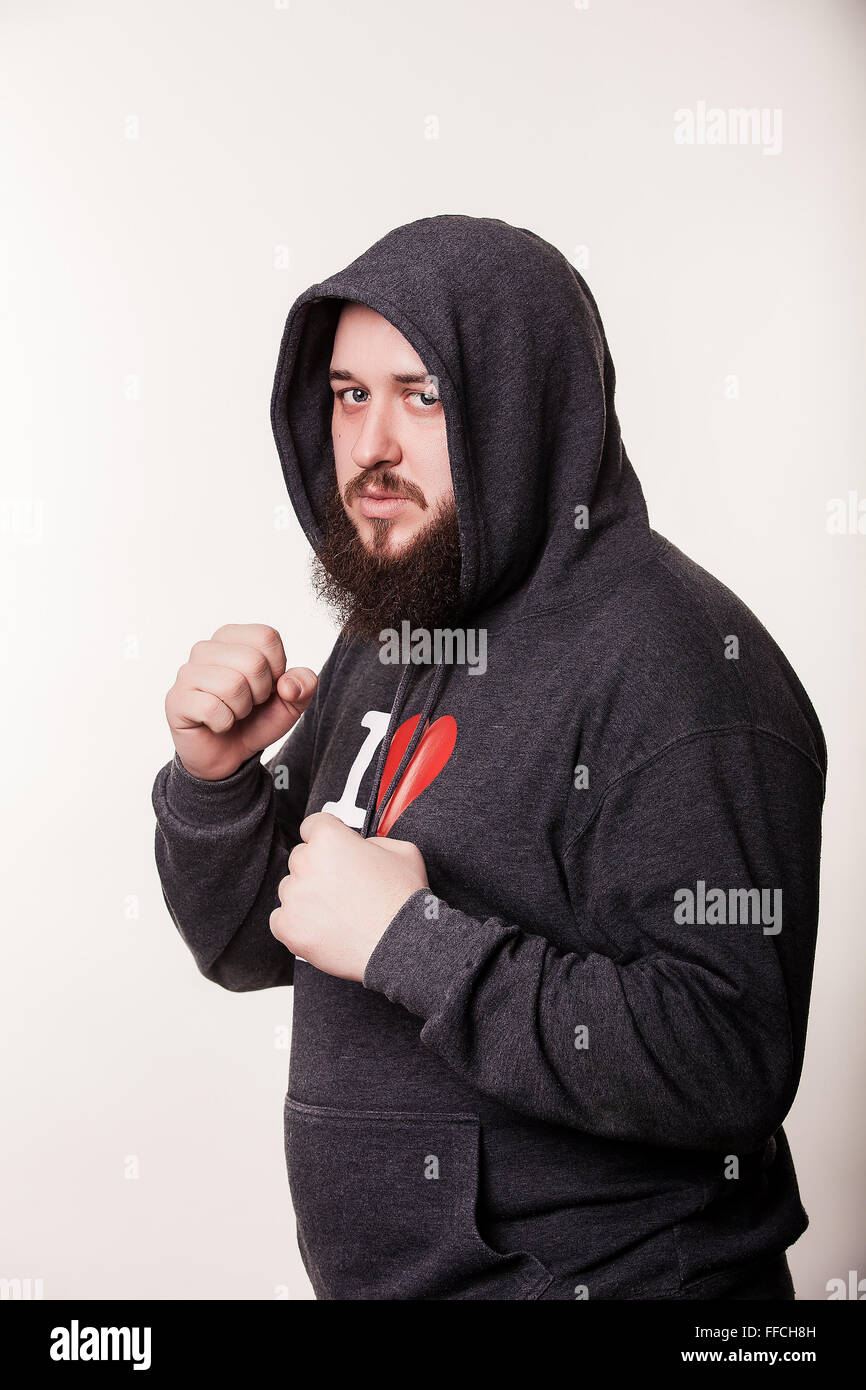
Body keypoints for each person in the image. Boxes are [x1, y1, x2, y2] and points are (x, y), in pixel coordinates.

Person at [151, 214, 826, 1301]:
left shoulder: (684, 666)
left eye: (420, 394)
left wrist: (411, 943)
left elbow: (727, 1056)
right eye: (347, 393)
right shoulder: (397, 623)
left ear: (522, 408)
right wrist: (214, 785)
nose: (369, 445)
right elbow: (249, 941)